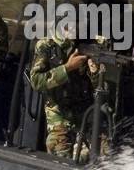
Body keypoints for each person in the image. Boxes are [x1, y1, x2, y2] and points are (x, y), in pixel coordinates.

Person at [28, 23, 95, 160]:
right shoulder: (46, 46)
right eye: (66, 26)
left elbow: (99, 86)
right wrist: (67, 68)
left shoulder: (84, 45)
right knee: (60, 153)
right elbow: (36, 81)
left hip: (83, 111)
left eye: (75, 26)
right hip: (58, 112)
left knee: (96, 154)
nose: (72, 30)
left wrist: (95, 72)